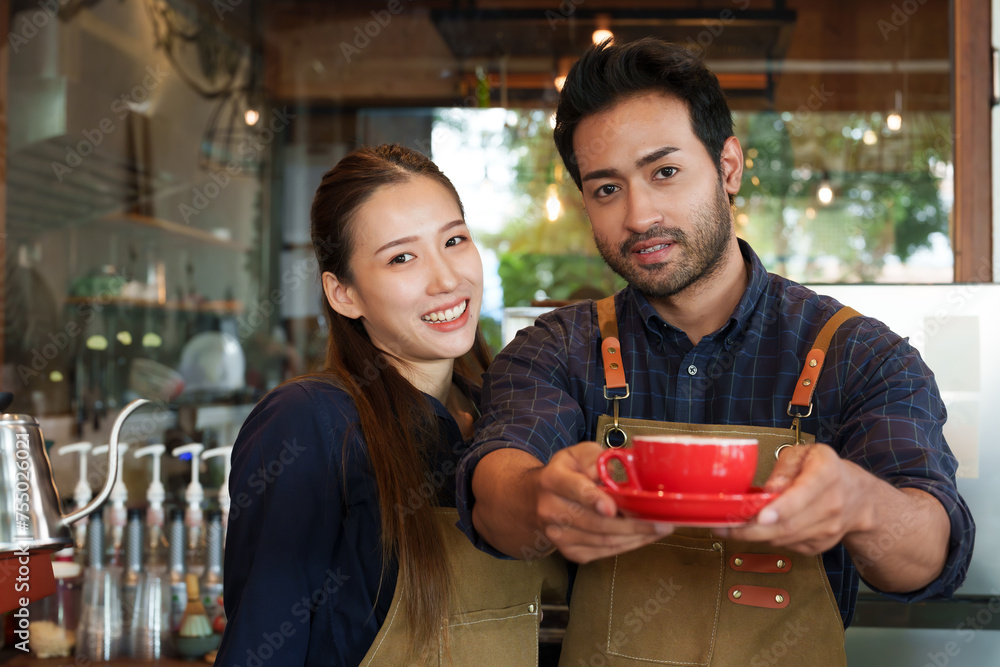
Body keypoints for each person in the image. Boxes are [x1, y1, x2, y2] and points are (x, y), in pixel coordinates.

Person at [456, 38, 974, 666]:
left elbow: (926, 556)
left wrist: (861, 503)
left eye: (664, 172)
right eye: (606, 189)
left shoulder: (861, 356)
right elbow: (494, 498)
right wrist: (542, 499)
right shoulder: (557, 350)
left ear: (728, 167)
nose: (639, 215)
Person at [217, 144, 565, 666]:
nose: (447, 279)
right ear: (343, 294)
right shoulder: (308, 422)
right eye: (402, 257)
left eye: (454, 240)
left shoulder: (511, 417)